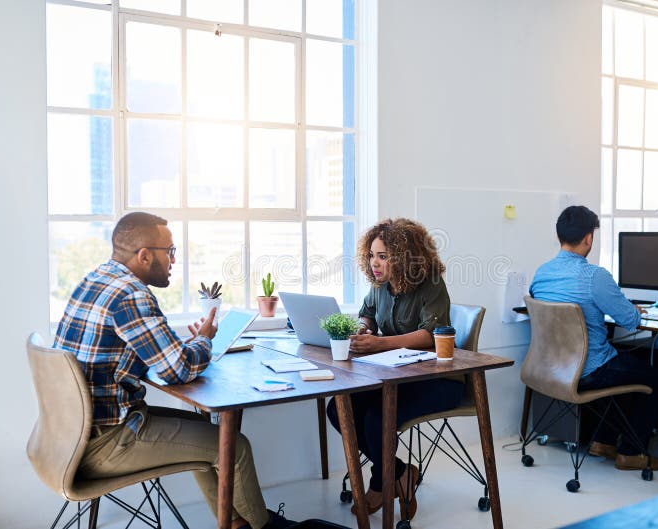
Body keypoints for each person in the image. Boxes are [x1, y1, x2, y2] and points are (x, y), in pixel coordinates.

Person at [52, 212, 295, 529]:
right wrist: (205, 342)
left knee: (209, 432)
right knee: (234, 447)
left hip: (70, 438)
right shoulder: (131, 294)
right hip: (106, 444)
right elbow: (176, 371)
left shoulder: (96, 280)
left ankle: (236, 523)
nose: (174, 260)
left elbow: (139, 354)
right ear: (144, 255)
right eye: (170, 251)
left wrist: (185, 346)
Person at [325, 218, 464, 520]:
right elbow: (367, 314)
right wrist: (363, 329)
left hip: (439, 381)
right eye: (372, 255)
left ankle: (380, 483)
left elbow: (431, 334)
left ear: (404, 258)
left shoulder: (432, 286)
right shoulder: (380, 287)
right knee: (338, 409)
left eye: (383, 256)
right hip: (396, 380)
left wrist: (380, 344)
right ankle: (401, 472)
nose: (374, 263)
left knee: (377, 418)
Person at [530, 205, 658, 471]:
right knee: (654, 376)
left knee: (622, 364)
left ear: (560, 236)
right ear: (588, 238)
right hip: (588, 370)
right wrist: (634, 308)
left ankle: (602, 442)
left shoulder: (541, 273)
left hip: (552, 368)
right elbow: (629, 320)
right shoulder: (595, 276)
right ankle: (632, 453)